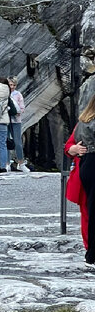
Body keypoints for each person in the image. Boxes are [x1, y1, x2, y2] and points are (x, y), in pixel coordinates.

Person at [65, 92, 95, 264]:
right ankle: (89, 249)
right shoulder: (84, 122)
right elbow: (69, 146)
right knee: (88, 212)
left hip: (86, 168)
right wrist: (73, 149)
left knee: (89, 212)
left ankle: (90, 251)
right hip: (87, 167)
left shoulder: (85, 121)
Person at [8, 76, 27, 171]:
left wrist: (18, 111)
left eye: (14, 85)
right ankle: (6, 162)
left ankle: (21, 162)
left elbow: (22, 107)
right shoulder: (4, 93)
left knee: (17, 142)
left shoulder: (18, 94)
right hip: (6, 120)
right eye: (10, 85)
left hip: (16, 120)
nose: (12, 87)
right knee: (6, 141)